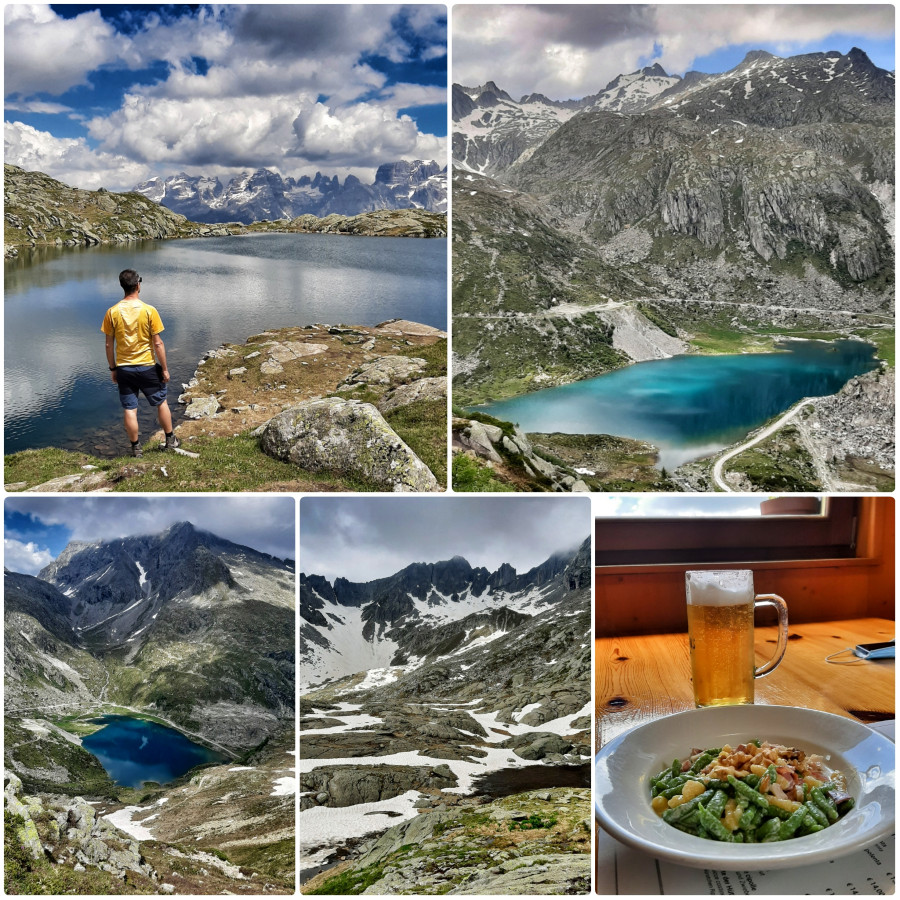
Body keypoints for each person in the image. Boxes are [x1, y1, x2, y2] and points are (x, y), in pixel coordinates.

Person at [102, 269, 179, 457]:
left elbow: (108, 345)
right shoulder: (149, 310)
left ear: (123, 286)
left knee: (130, 409)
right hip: (147, 367)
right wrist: (165, 369)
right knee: (161, 402)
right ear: (138, 285)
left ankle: (136, 449)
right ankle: (170, 440)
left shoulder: (112, 312)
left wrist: (113, 368)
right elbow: (158, 343)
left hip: (124, 369)